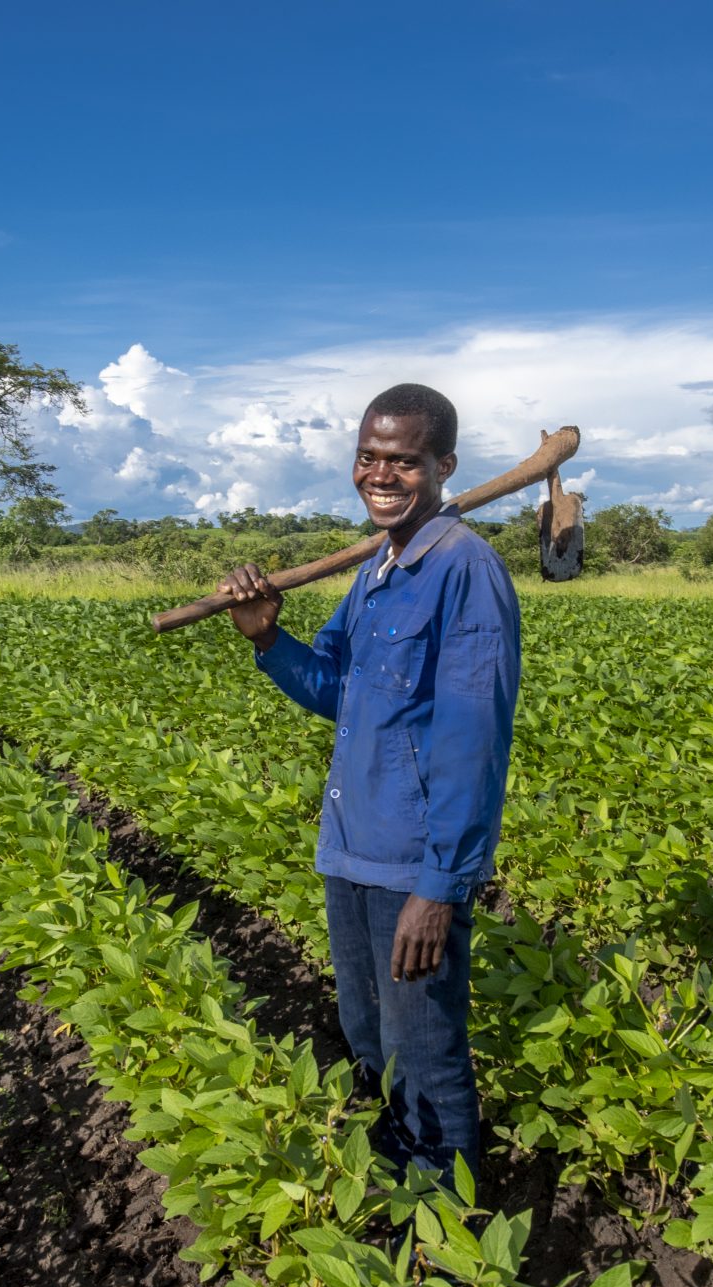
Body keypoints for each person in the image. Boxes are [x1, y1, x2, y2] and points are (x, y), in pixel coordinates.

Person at [216, 383, 521, 1186]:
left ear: (443, 465)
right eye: (369, 456)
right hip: (350, 849)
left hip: (410, 865)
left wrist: (439, 886)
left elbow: (471, 743)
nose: (380, 474)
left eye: (403, 460)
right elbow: (332, 690)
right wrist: (266, 635)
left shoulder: (465, 569)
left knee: (424, 1054)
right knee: (369, 1040)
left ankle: (450, 1253)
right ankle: (397, 1203)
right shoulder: (377, 570)